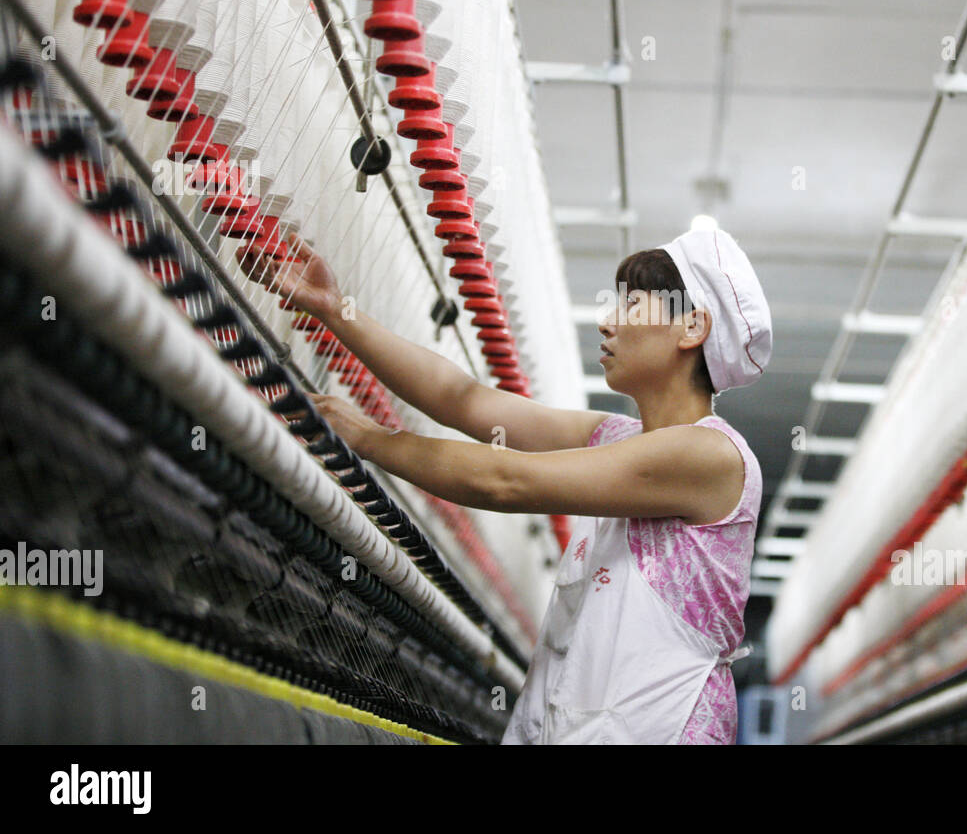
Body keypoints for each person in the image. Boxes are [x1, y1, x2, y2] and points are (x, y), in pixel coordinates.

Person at [239, 226, 773, 744]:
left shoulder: (708, 454)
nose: (608, 322)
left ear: (692, 327)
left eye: (632, 308)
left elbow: (505, 481)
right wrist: (337, 311)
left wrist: (370, 439)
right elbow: (465, 401)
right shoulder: (614, 436)